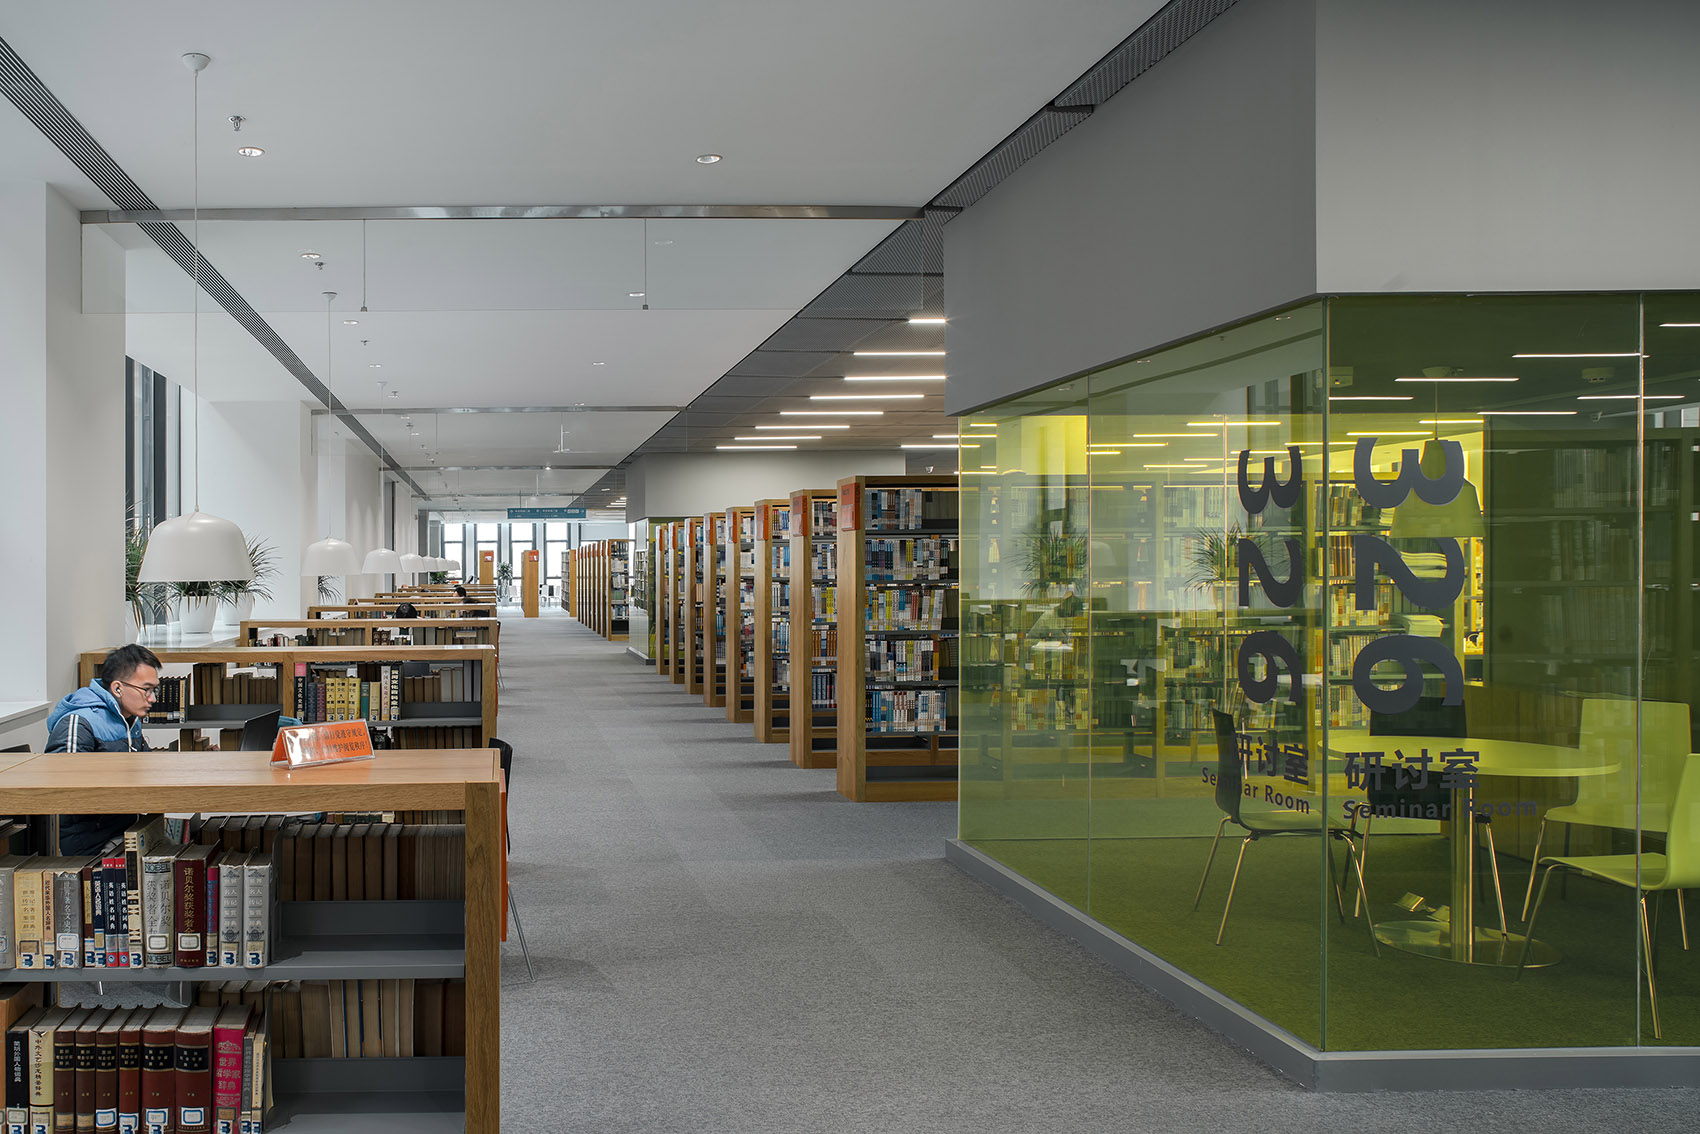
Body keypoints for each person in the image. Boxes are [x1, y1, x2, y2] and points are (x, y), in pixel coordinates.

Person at [43, 644, 158, 854]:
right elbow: (63, 792)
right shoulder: (78, 722)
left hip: (126, 829)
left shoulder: (129, 720)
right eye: (146, 690)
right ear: (117, 688)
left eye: (154, 690)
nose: (153, 699)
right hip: (90, 843)